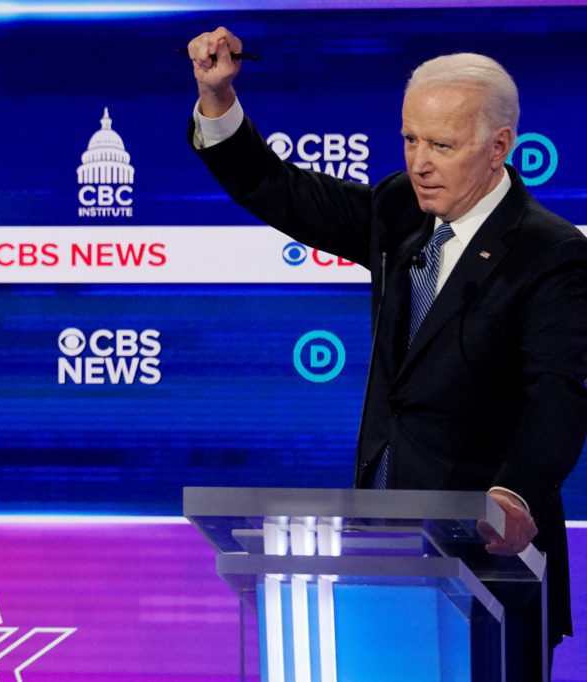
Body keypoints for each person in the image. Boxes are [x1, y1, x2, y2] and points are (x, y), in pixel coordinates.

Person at [187, 27, 587, 679]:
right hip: (379, 550)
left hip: (489, 568)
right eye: (410, 140)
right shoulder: (399, 210)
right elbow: (281, 191)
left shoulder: (550, 252)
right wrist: (218, 98)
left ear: (499, 147)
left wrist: (514, 495)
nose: (420, 162)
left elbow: (557, 396)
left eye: (442, 145)